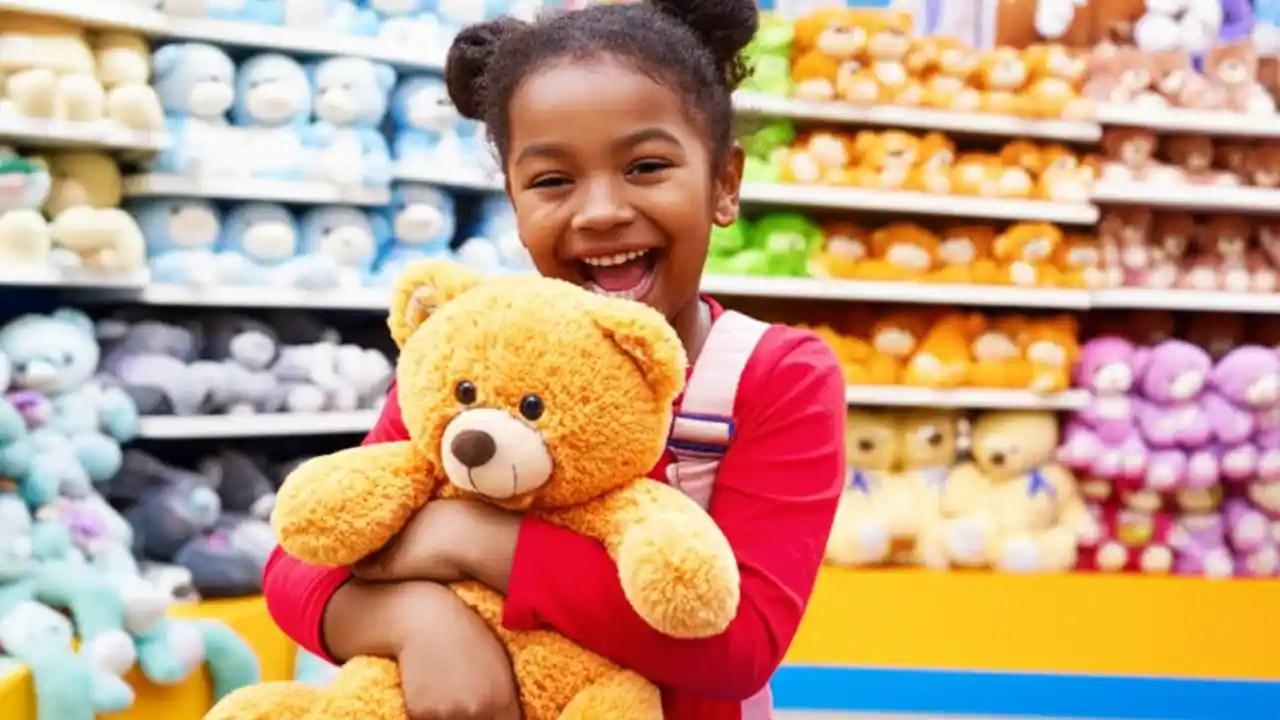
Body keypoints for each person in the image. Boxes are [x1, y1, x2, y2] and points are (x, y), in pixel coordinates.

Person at [261, 1, 848, 718]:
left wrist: (471, 537)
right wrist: (420, 623)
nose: (600, 210)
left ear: (724, 183)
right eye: (551, 181)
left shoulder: (774, 377)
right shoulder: (471, 356)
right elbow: (300, 562)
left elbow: (737, 647)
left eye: (646, 166)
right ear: (513, 198)